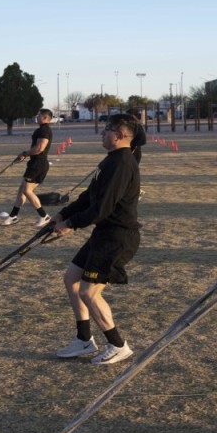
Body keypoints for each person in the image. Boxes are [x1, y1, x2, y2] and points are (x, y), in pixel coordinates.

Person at [51, 112, 142, 366]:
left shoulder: (123, 163)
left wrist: (71, 224)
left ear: (120, 135)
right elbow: (89, 197)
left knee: (90, 292)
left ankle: (117, 345)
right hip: (103, 234)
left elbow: (103, 207)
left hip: (117, 237)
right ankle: (83, 340)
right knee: (72, 278)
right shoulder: (110, 160)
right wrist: (61, 214)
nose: (102, 133)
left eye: (107, 130)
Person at [1, 109, 53, 227]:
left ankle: (44, 216)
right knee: (22, 189)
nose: (37, 117)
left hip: (38, 165)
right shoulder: (42, 129)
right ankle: (13, 216)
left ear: (45, 117)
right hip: (35, 164)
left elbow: (40, 148)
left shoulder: (44, 130)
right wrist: (26, 155)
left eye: (39, 115)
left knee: (27, 190)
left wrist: (25, 153)